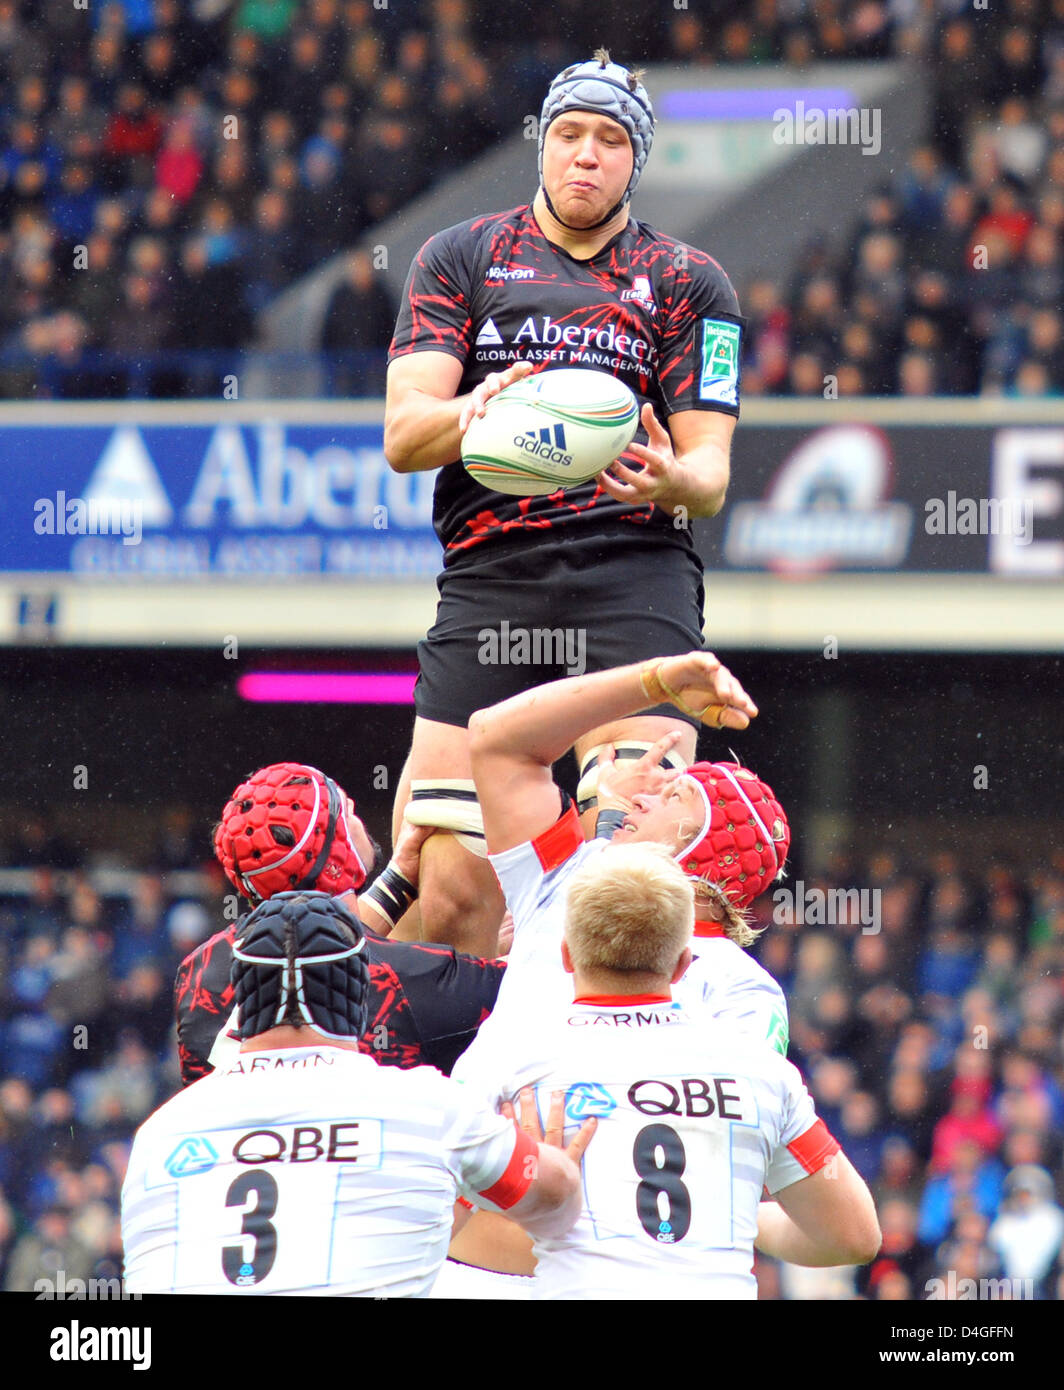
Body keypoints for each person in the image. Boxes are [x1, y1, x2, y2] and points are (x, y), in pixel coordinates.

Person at [385, 50, 747, 954]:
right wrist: (470, 413)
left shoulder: (692, 282)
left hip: (638, 575)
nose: (586, 155)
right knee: (445, 886)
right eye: (570, 134)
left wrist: (672, 480)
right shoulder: (460, 259)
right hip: (491, 576)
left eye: (611, 140)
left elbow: (710, 473)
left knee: (630, 859)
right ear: (542, 145)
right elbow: (403, 437)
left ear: (636, 160)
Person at [437, 649, 792, 1294]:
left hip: (601, 1265)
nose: (641, 788)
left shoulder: (741, 986)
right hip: (461, 1246)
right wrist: (650, 683)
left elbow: (736, 1156)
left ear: (703, 846)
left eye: (671, 791)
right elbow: (495, 739)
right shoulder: (569, 871)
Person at [454, 843, 880, 1298]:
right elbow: (855, 1236)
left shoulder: (507, 1058)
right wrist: (733, 1215)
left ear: (566, 956)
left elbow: (431, 1220)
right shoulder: (761, 1070)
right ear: (682, 963)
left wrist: (519, 1189)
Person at [122, 891, 593, 1295]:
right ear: (361, 996)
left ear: (240, 1003)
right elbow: (558, 1202)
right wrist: (504, 1184)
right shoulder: (427, 1104)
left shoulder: (156, 1134)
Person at [176, 762, 505, 1084]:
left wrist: (399, 879)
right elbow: (541, 992)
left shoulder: (196, 975)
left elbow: (314, 944)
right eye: (346, 812)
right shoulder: (411, 979)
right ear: (336, 862)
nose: (356, 810)